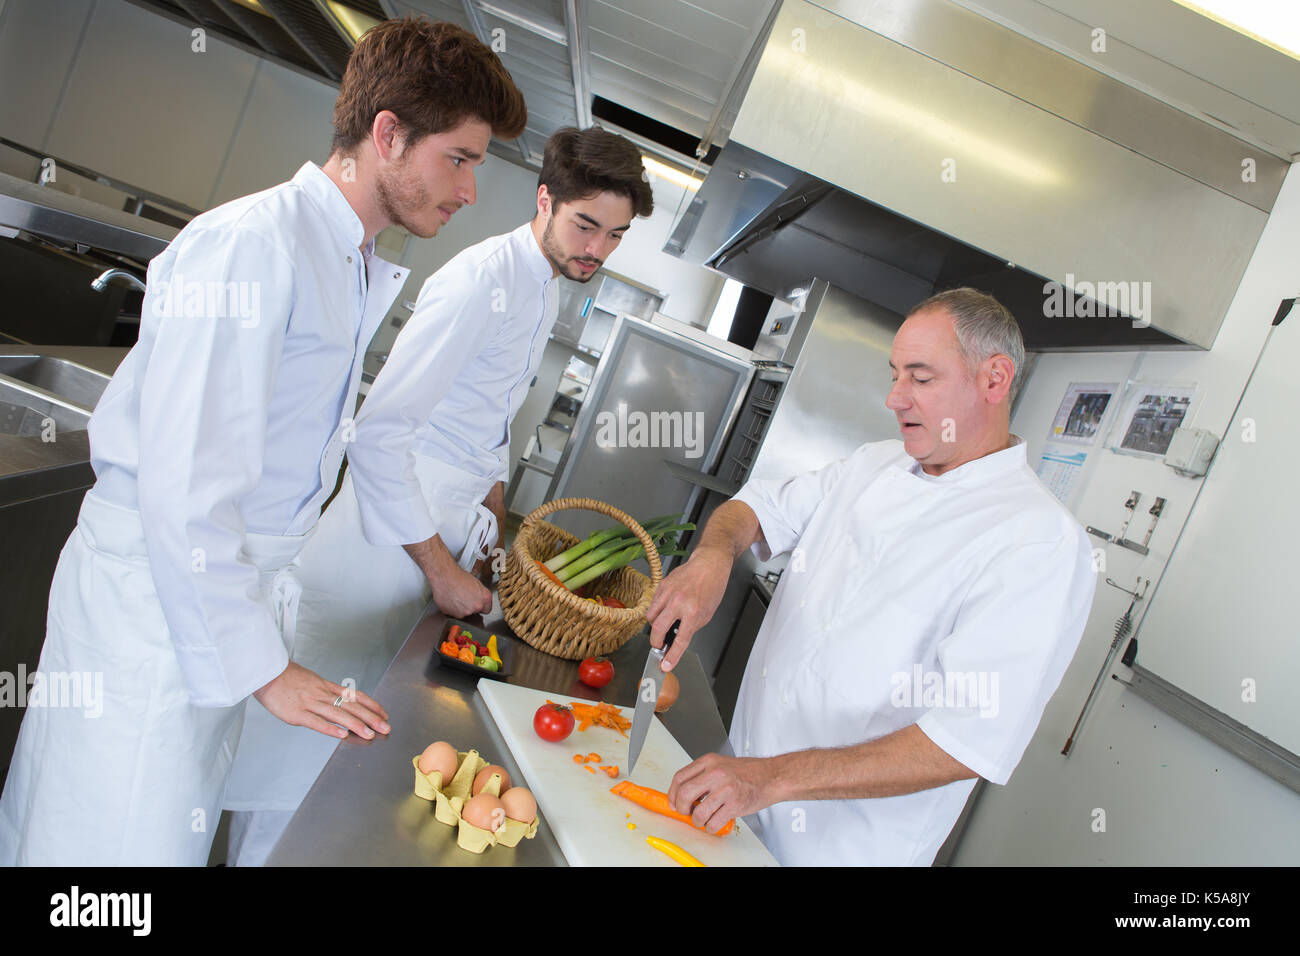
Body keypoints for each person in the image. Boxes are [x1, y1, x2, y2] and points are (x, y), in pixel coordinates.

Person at [0, 17, 527, 866]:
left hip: (215, 602)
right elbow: (188, 482)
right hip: (152, 609)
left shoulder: (346, 259)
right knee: (100, 850)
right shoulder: (253, 247)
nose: (469, 192)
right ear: (387, 135)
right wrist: (265, 671)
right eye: (459, 160)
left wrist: (259, 658)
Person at [222, 126, 655, 865]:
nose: (597, 250)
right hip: (378, 545)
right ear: (546, 199)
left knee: (356, 755)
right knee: (295, 770)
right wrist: (442, 569)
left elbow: (490, 426)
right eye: (587, 225)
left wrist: (490, 525)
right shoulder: (479, 279)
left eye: (614, 236)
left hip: (439, 539)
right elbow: (381, 433)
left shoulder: (544, 291)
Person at [645, 288, 1097, 866]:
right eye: (893, 375)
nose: (894, 398)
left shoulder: (1038, 541)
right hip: (737, 796)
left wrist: (769, 779)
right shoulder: (876, 464)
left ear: (994, 379)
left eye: (920, 378)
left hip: (835, 849)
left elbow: (962, 743)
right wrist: (712, 556)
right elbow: (753, 509)